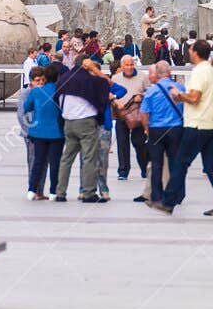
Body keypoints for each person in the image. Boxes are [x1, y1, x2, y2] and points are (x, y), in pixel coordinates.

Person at [159, 39, 213, 217]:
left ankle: (168, 201)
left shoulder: (199, 71)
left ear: (195, 52)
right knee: (212, 167)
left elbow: (194, 98)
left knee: (180, 162)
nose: (189, 52)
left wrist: (178, 95)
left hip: (197, 125)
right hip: (211, 124)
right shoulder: (211, 71)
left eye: (191, 49)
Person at [54, 57, 111, 203]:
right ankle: (88, 193)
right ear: (87, 65)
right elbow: (106, 83)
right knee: (88, 158)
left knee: (66, 158)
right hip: (86, 122)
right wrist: (94, 69)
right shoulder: (90, 79)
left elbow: (57, 99)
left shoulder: (64, 78)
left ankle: (60, 192)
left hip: (68, 122)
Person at [140, 61, 183, 207]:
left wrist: (147, 129)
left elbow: (144, 114)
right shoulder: (180, 88)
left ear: (157, 74)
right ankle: (176, 194)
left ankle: (156, 195)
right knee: (174, 163)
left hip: (156, 129)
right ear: (170, 72)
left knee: (157, 163)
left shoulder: (151, 91)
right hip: (175, 129)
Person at [21, 65, 63, 200]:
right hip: (56, 132)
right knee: (55, 162)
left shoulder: (35, 92)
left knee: (38, 161)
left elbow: (27, 107)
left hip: (38, 132)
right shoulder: (60, 92)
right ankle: (53, 192)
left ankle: (32, 189)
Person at [109, 53, 150, 184]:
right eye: (127, 64)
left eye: (132, 64)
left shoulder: (143, 77)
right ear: (121, 66)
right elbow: (110, 95)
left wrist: (141, 96)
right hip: (122, 114)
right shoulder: (115, 78)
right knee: (122, 143)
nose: (130, 67)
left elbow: (149, 92)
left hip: (137, 115)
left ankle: (144, 169)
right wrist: (116, 103)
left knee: (139, 143)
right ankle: (123, 171)